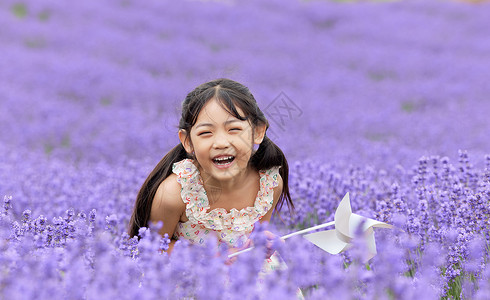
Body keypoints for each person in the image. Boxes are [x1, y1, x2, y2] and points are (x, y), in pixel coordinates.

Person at [128, 78, 293, 257]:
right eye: (206, 133)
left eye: (234, 129)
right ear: (187, 141)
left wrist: (261, 245)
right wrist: (211, 259)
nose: (221, 143)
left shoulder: (269, 185)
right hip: (191, 276)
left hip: (249, 274)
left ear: (258, 132)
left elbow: (255, 239)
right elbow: (155, 248)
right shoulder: (175, 193)